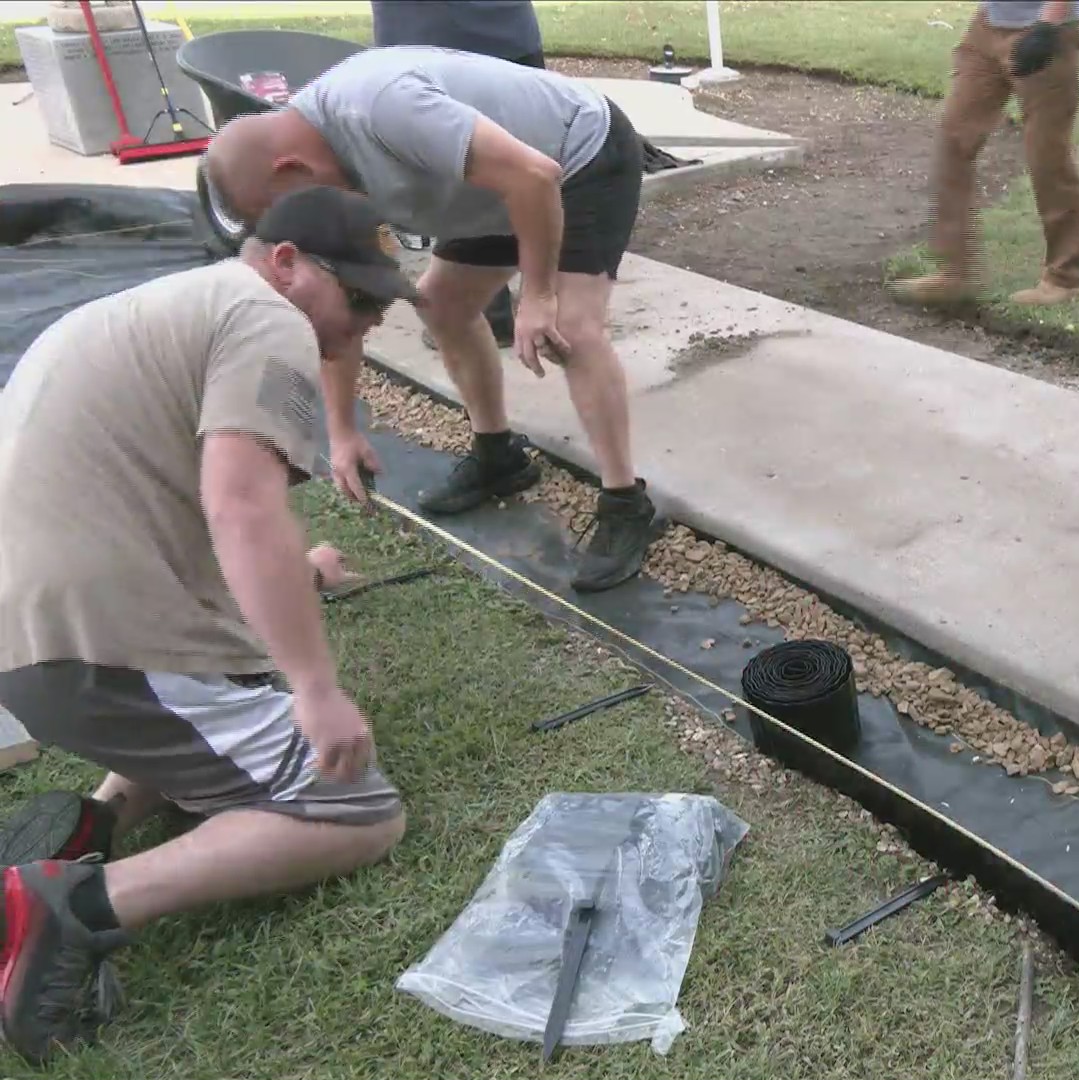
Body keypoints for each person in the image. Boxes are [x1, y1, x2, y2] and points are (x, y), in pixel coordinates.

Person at [0, 186, 415, 1065]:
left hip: (32, 633)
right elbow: (239, 505)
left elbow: (160, 500)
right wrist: (318, 686)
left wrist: (296, 579)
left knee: (231, 683)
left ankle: (98, 819)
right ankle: (74, 905)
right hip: (84, 639)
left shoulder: (171, 305)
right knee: (359, 810)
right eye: (363, 298)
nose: (370, 323)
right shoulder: (271, 321)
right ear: (289, 264)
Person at [202, 46, 657, 593]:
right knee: (442, 303)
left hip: (576, 158)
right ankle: (499, 456)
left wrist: (537, 295)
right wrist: (342, 431)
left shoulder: (380, 109)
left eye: (280, 208)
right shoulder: (322, 170)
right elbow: (341, 307)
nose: (290, 228)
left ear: (290, 168)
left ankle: (627, 502)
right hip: (492, 188)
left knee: (571, 328)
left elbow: (535, 177)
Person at [890, 0, 1079, 309]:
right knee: (955, 136)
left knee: (1047, 153)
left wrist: (1048, 26)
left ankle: (1065, 277)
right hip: (989, 26)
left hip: (1046, 30)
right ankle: (955, 272)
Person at [370, 0, 547, 347]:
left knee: (463, 176)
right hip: (508, 39)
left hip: (430, 48)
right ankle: (540, 301)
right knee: (526, 164)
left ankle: (492, 310)